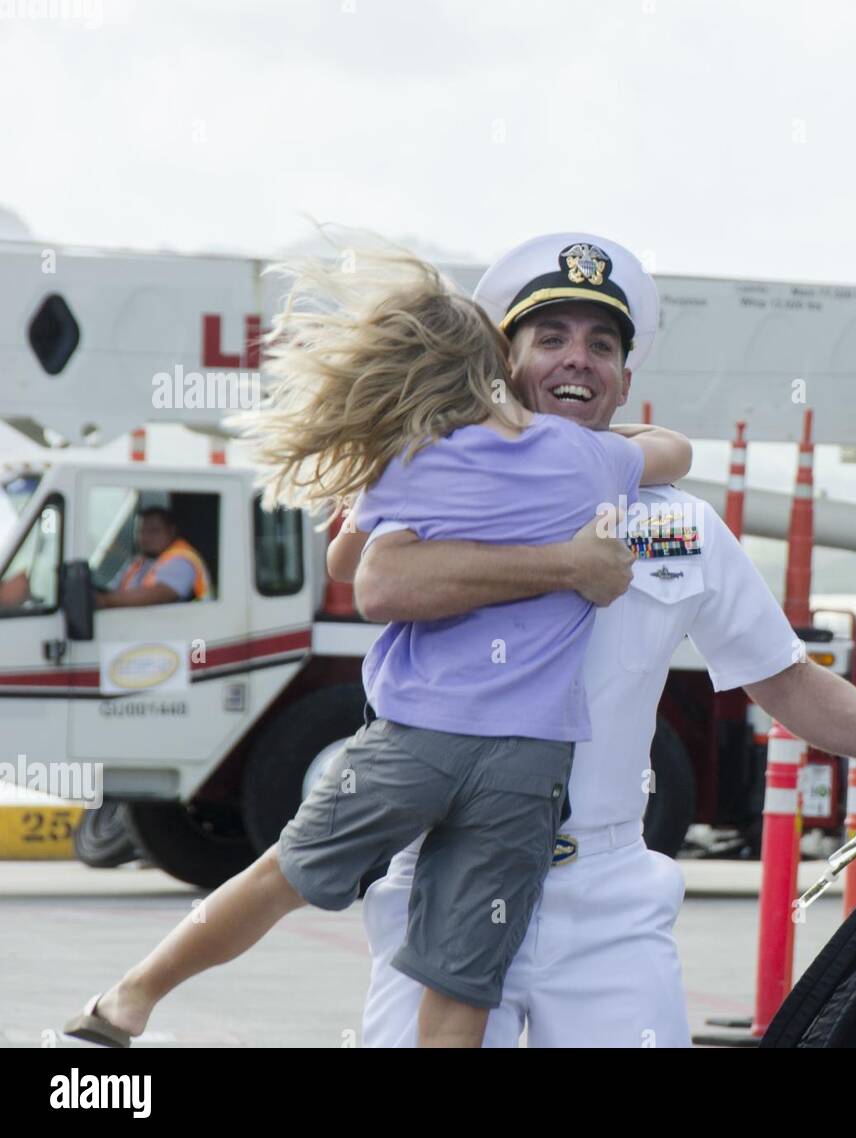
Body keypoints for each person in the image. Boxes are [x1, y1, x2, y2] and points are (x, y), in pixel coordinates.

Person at [339, 232, 856, 1048]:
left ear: (626, 380)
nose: (579, 360)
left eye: (601, 344)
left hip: (603, 894)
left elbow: (781, 677)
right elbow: (373, 584)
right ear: (504, 362)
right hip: (448, 870)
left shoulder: (678, 523)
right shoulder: (449, 490)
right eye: (552, 338)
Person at [64, 247, 691, 1049]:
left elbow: (348, 562)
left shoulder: (417, 458)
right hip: (527, 764)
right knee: (464, 973)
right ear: (502, 366)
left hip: (414, 742)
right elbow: (673, 451)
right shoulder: (588, 458)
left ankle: (130, 1000)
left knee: (280, 878)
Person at [97, 507, 211, 607]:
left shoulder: (182, 560)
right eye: (140, 531)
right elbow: (112, 589)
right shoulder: (138, 561)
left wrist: (104, 600)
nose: (145, 537)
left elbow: (161, 595)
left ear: (171, 531)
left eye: (153, 531)